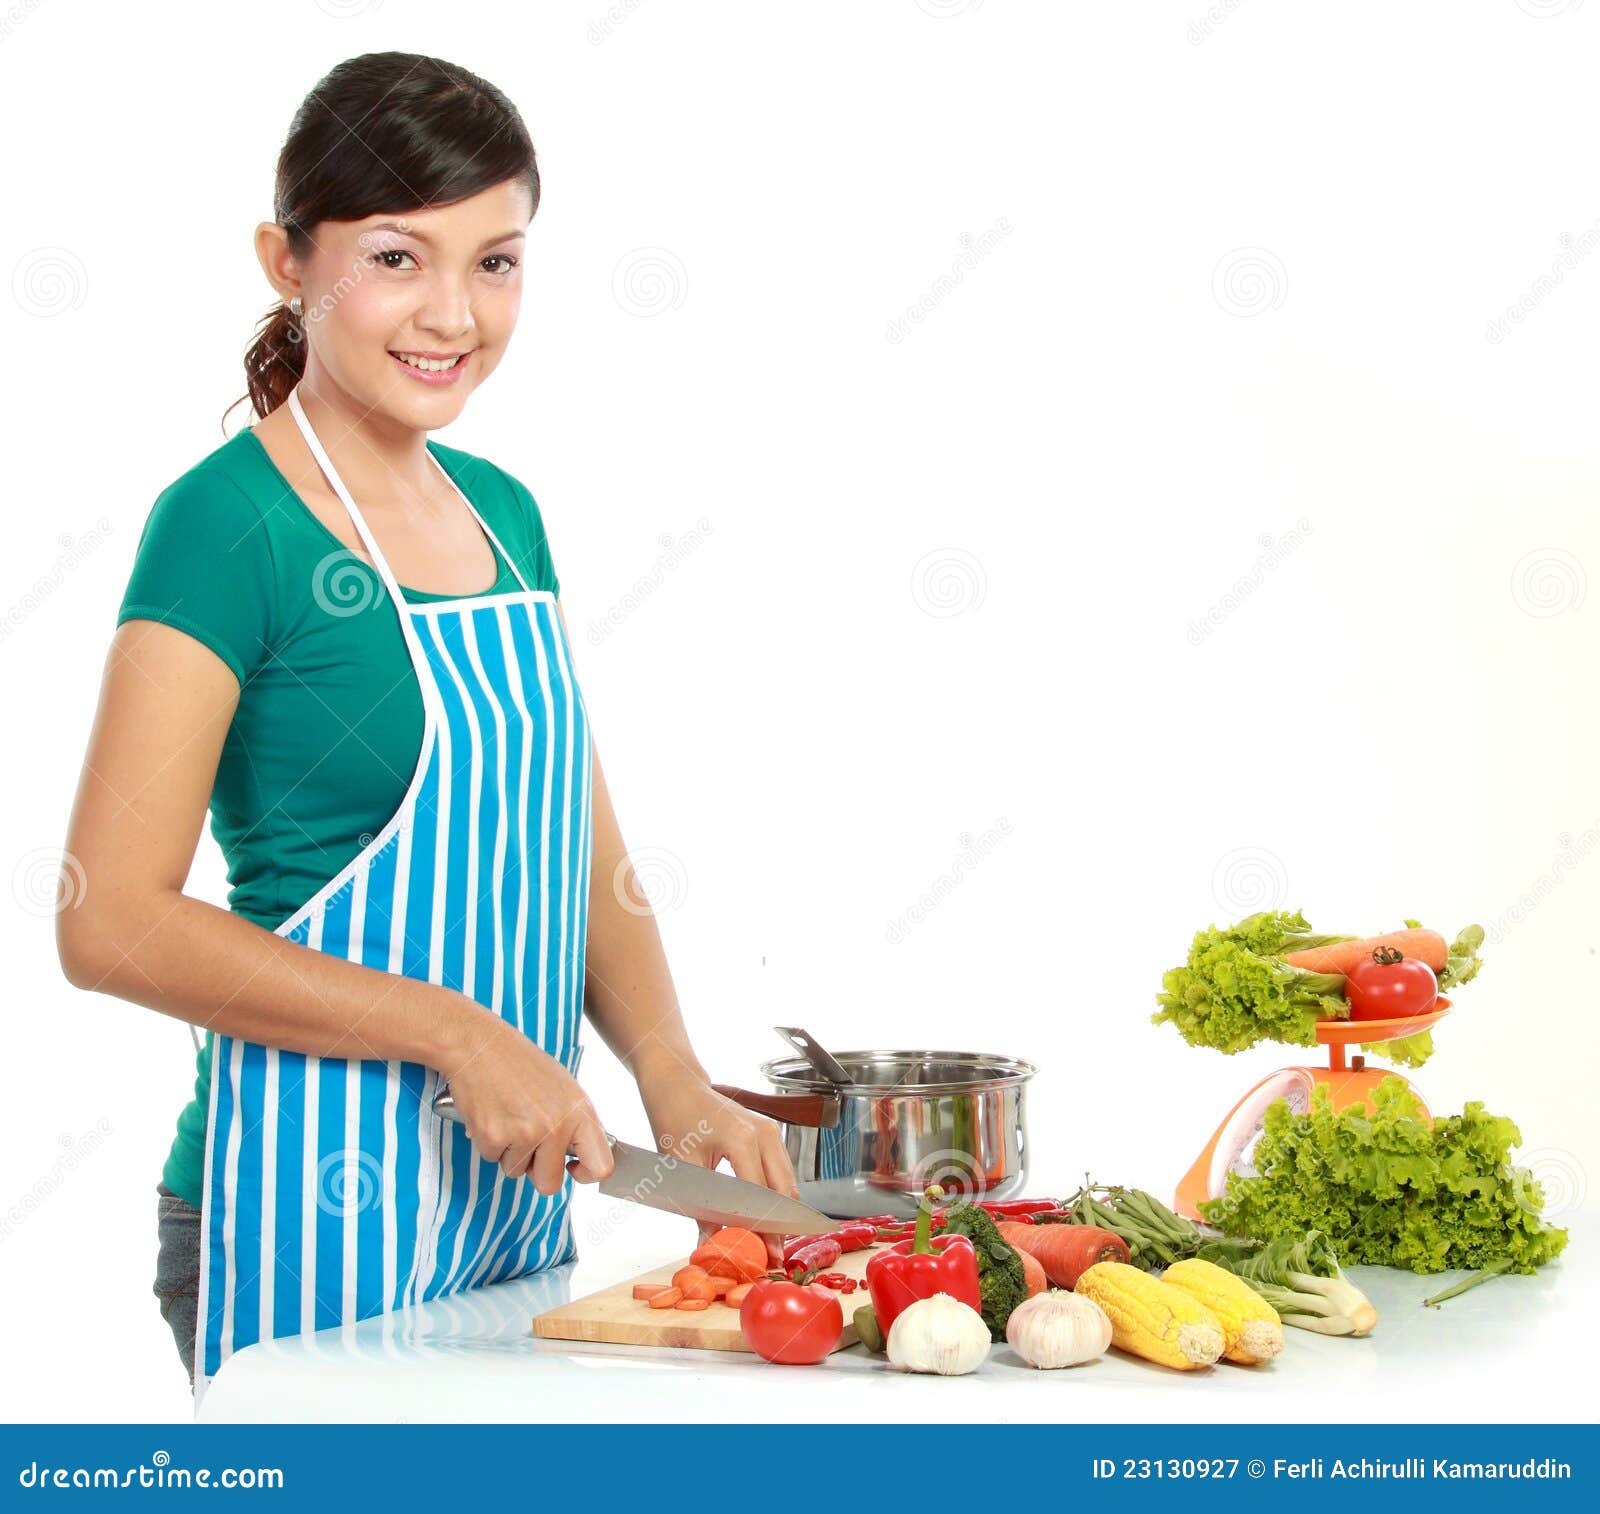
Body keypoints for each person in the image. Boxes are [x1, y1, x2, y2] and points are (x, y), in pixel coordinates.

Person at [56, 51, 796, 1399]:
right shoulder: (231, 527)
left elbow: (569, 838)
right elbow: (105, 920)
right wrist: (456, 1033)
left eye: (497, 261)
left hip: (509, 1218)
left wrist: (673, 1077)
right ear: (289, 261)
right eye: (398, 258)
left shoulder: (503, 514)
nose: (454, 314)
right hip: (291, 1225)